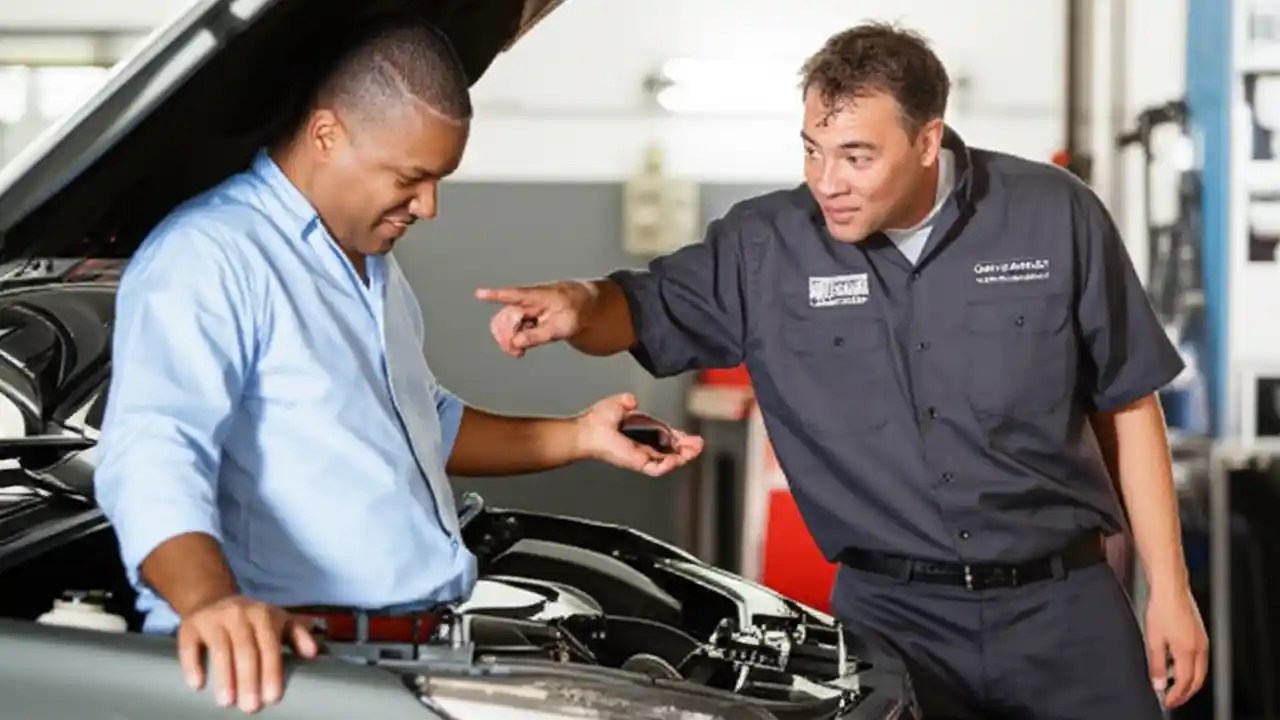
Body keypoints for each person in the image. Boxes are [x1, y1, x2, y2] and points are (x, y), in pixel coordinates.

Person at [477, 21, 1208, 719]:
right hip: (893, 619)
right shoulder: (766, 248)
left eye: (857, 156)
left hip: (1064, 607)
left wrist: (1170, 590)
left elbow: (1128, 403)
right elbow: (639, 306)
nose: (827, 181)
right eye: (812, 150)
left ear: (927, 141)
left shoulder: (1055, 215)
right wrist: (577, 304)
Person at [92, 18, 702, 716]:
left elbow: (419, 426)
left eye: (439, 179)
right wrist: (211, 602)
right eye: (411, 178)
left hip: (389, 662)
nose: (429, 206)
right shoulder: (211, 256)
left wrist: (578, 436)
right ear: (327, 135)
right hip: (279, 671)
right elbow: (151, 453)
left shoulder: (369, 266)